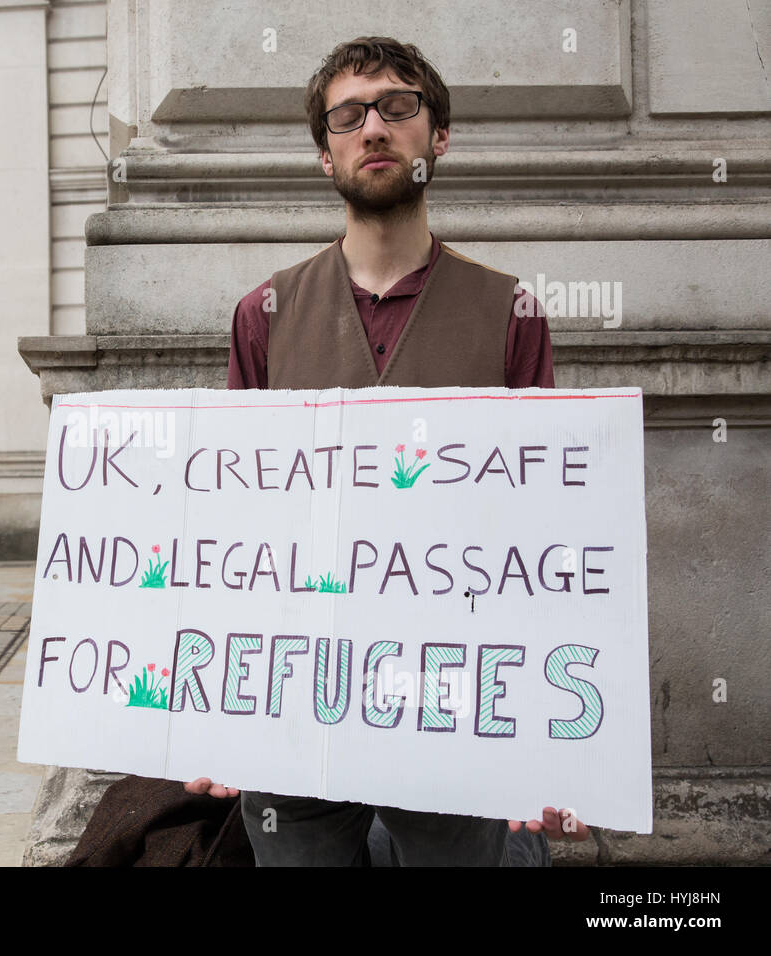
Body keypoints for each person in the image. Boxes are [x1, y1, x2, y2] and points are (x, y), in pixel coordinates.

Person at [186, 36, 586, 864]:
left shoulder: (509, 310)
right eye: (348, 115)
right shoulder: (263, 314)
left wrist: (553, 743)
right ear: (323, 154)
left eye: (398, 107)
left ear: (438, 137)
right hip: (296, 704)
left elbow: (545, 530)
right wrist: (214, 717)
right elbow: (232, 527)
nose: (374, 127)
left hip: (452, 699)